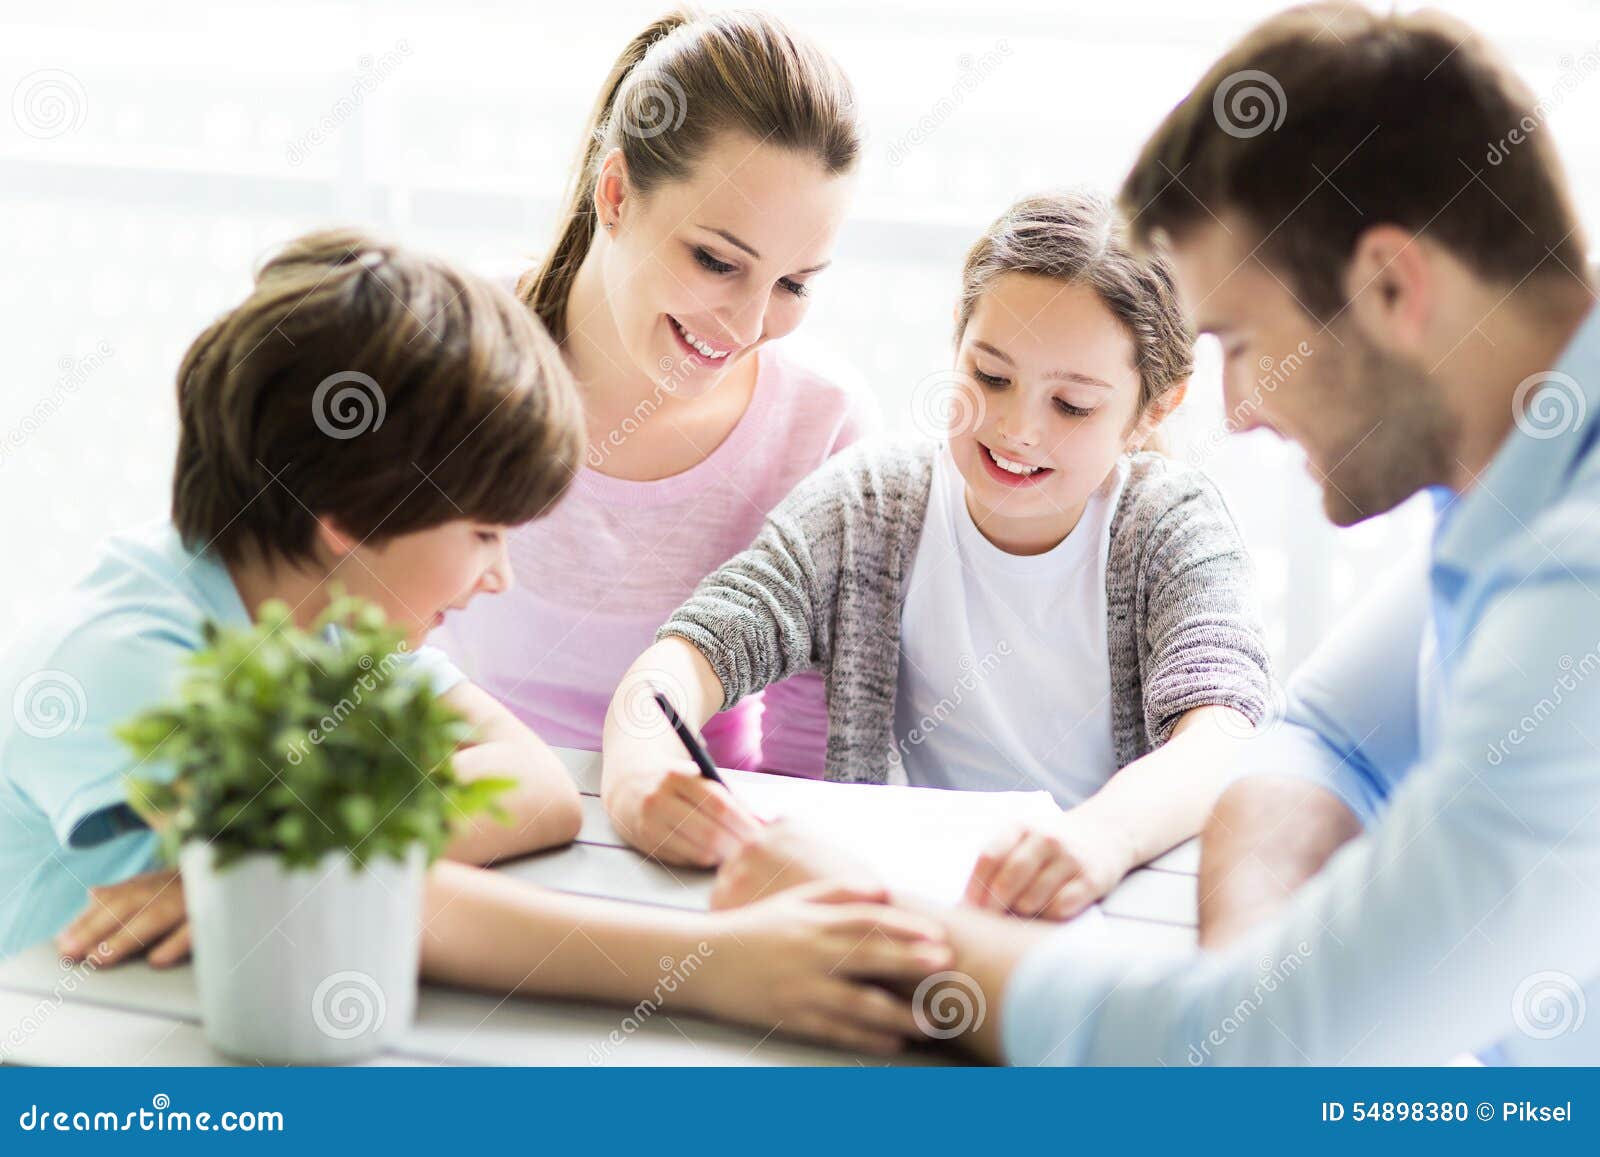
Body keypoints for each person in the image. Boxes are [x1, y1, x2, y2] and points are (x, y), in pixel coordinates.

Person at [723, 1, 1600, 1065]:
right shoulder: (1521, 485)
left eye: (1239, 339)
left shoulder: (1576, 582)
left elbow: (1250, 1058)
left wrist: (863, 913)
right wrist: (1258, 973)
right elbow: (1321, 734)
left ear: (1389, 286)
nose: (1237, 408)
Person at [6, 231, 948, 1053]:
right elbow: (359, 915)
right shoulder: (131, 655)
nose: (498, 575)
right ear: (351, 517)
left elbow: (531, 785)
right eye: (484, 533)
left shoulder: (333, 619)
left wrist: (325, 858)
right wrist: (714, 967)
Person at [604, 190, 1272, 920]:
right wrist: (639, 772)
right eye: (990, 377)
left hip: (1096, 904)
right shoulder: (871, 504)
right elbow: (701, 643)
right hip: (901, 900)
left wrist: (1097, 841)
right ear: (957, 340)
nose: (1018, 429)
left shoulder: (1169, 526)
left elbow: (1224, 729)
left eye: (1072, 406)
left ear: (1153, 410)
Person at [437, 8, 874, 779]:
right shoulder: (451, 342)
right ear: (615, 194)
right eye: (715, 259)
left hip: (690, 823)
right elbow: (340, 616)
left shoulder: (824, 423)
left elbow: (817, 730)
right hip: (451, 802)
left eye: (795, 283)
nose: (747, 322)